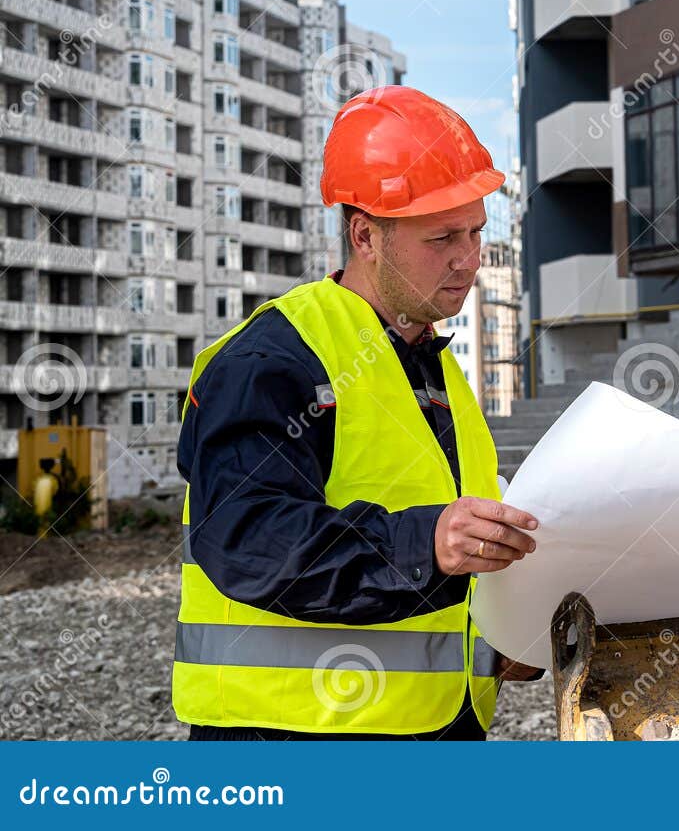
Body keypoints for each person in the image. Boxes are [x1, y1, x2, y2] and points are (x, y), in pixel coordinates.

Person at [173, 86, 542, 741]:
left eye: (478, 232)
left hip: (430, 730)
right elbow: (247, 538)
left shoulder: (434, 367)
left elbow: (439, 567)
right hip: (288, 742)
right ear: (366, 236)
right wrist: (428, 543)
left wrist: (501, 634)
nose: (469, 258)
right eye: (443, 237)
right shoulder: (272, 358)